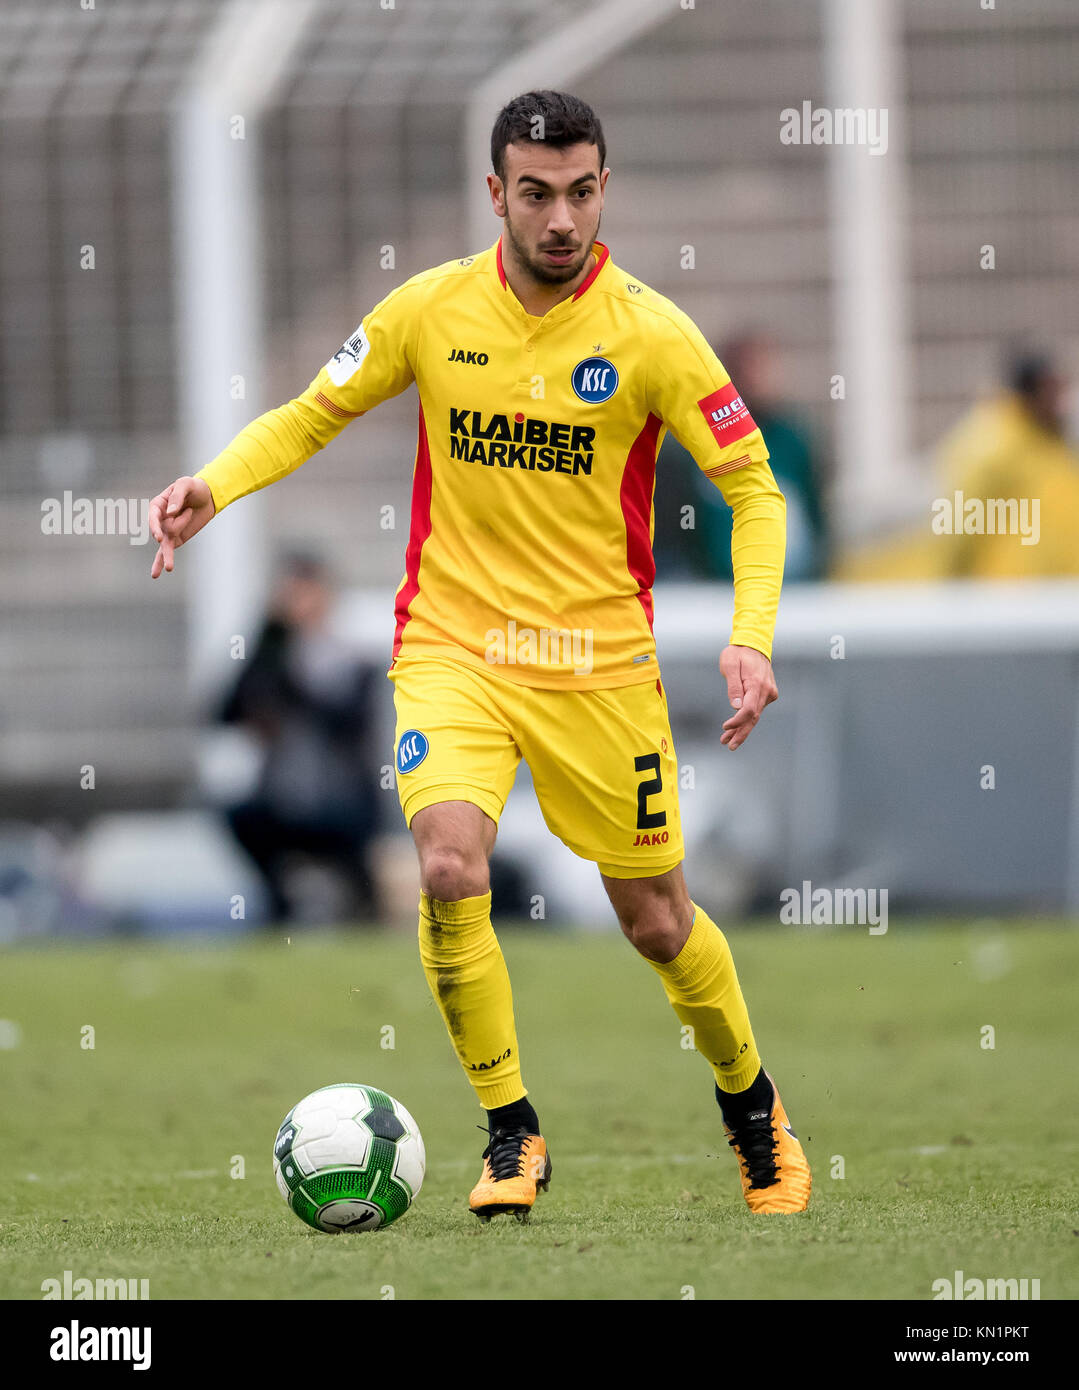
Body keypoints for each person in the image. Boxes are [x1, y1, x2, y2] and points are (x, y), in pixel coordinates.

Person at [149, 90, 810, 1220]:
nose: (562, 217)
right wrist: (215, 484)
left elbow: (751, 487)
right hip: (452, 645)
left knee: (655, 919)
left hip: (598, 665)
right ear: (495, 192)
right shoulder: (430, 309)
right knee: (449, 864)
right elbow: (314, 411)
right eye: (538, 193)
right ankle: (511, 1132)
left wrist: (748, 637)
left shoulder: (649, 332)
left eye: (583, 191)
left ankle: (752, 1109)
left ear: (606, 188)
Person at [216, 552, 382, 925]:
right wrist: (269, 637)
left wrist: (290, 672)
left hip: (342, 800)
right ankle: (278, 906)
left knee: (356, 860)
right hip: (283, 797)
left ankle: (364, 907)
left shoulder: (353, 655)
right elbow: (223, 713)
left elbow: (344, 721)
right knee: (241, 817)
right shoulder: (273, 653)